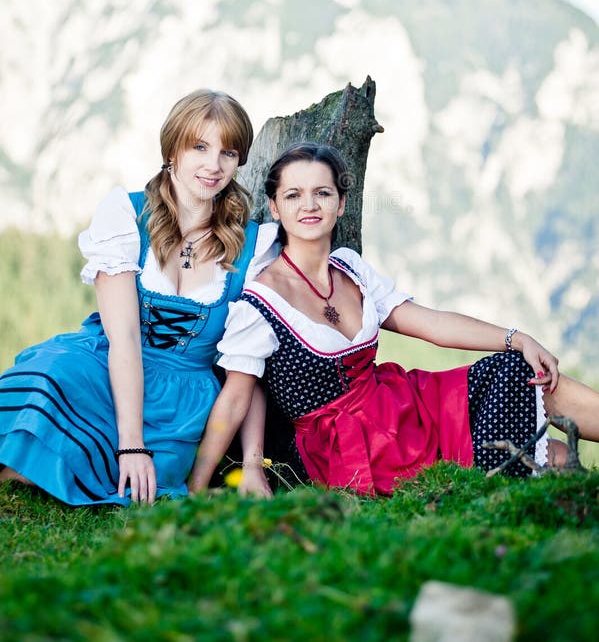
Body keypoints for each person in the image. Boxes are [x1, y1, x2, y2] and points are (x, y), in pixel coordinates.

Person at [187, 142, 599, 497]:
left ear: (341, 203)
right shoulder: (260, 301)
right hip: (347, 448)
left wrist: (517, 337)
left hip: (403, 406)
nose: (309, 205)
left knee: (517, 367)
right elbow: (239, 395)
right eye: (293, 195)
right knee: (554, 459)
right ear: (275, 207)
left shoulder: (349, 268)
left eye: (322, 193)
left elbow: (433, 325)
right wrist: (201, 485)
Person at [0, 89, 277, 505]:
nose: (213, 165)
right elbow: (125, 339)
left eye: (229, 152)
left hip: (182, 397)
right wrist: (131, 444)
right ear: (172, 150)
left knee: (142, 483)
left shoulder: (255, 246)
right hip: (105, 365)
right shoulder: (126, 216)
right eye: (199, 147)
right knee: (47, 385)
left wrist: (252, 463)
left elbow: (248, 369)